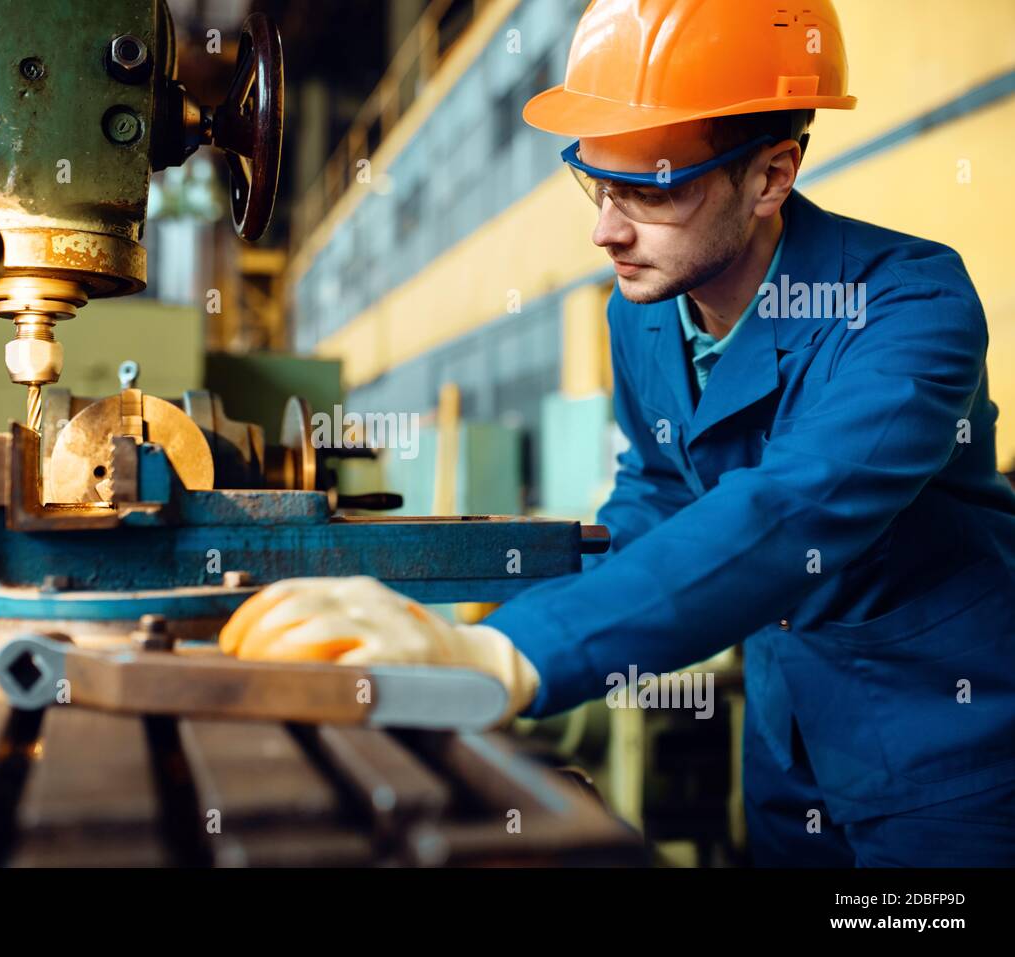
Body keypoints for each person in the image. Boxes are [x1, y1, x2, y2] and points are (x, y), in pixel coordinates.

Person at [220, 0, 1015, 866]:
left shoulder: (910, 307)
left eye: (650, 189)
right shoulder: (642, 316)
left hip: (949, 758)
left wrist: (504, 654)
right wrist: (462, 616)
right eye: (596, 183)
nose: (606, 230)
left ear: (771, 177)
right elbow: (658, 494)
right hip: (789, 764)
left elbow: (794, 511)